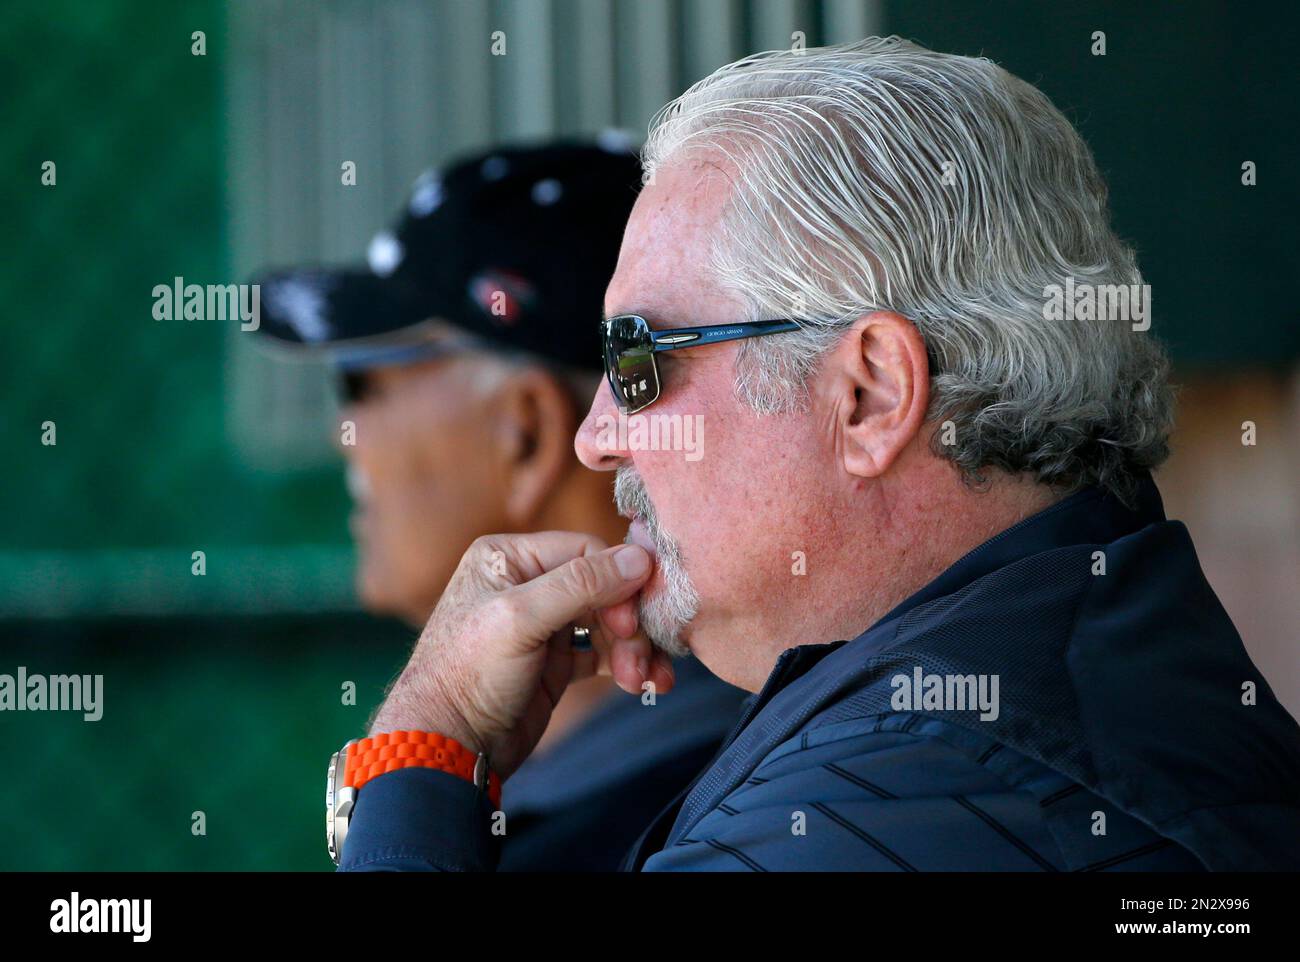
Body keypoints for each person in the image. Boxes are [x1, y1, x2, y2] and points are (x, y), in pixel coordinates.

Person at [331, 39, 1300, 872]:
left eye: (634, 360)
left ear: (868, 394)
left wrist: (426, 741)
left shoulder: (903, 791)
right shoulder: (1087, 648)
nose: (597, 435)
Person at [254, 140, 747, 871]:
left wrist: (419, 749)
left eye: (359, 384)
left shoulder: (638, 835)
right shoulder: (732, 758)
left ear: (528, 432)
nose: (343, 435)